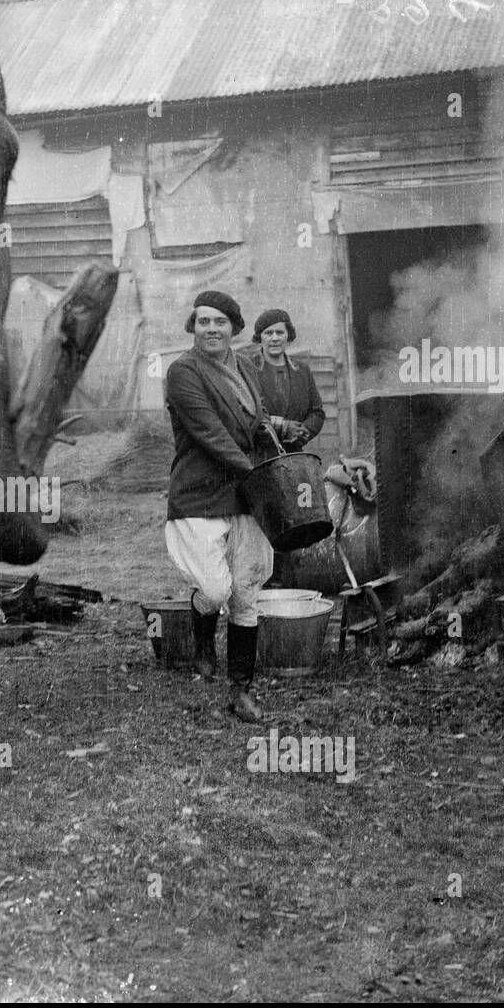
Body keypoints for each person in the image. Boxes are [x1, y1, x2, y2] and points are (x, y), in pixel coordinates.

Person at [163, 291, 274, 724]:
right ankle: (201, 626)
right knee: (214, 590)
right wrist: (253, 470)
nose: (211, 328)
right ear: (193, 327)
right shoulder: (183, 371)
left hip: (246, 495)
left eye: (220, 322)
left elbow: (254, 422)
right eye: (203, 321)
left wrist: (276, 437)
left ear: (235, 328)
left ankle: (241, 690)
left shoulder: (245, 367)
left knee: (247, 590)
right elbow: (209, 430)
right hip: (200, 493)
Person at [247, 309, 325, 451]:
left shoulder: (302, 370)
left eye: (280, 332)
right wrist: (283, 429)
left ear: (288, 335)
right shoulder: (248, 369)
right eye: (268, 333)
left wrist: (302, 432)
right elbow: (245, 414)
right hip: (258, 455)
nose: (275, 338)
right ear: (260, 338)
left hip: (294, 453)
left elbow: (316, 412)